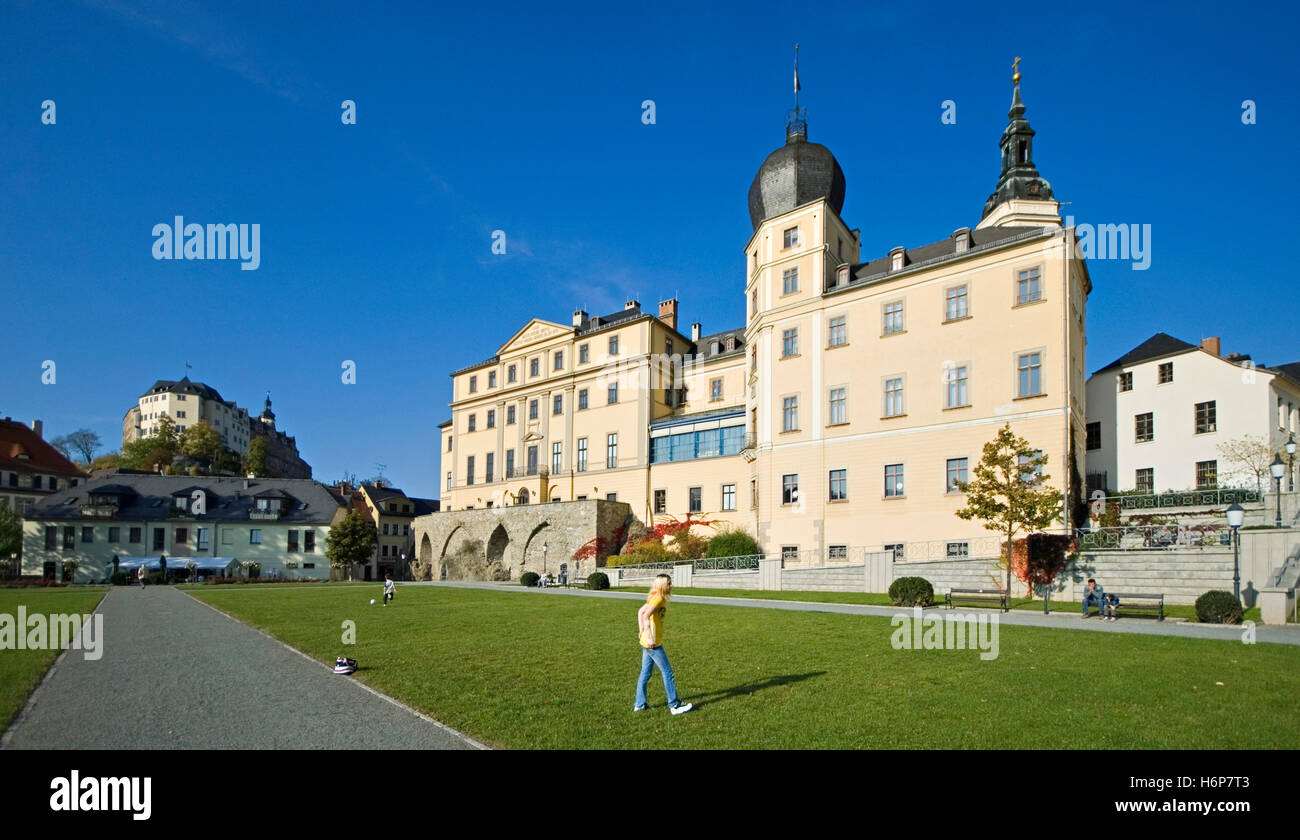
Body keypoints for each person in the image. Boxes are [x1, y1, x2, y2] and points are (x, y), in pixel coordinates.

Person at [634, 574, 692, 715]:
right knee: (668, 672)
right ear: (662, 585)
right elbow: (645, 615)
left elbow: (640, 611)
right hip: (652, 644)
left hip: (647, 642)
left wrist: (641, 631)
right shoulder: (658, 598)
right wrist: (649, 636)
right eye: (669, 583)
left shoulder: (655, 597)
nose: (671, 585)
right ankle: (674, 705)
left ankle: (639, 705)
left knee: (645, 673)